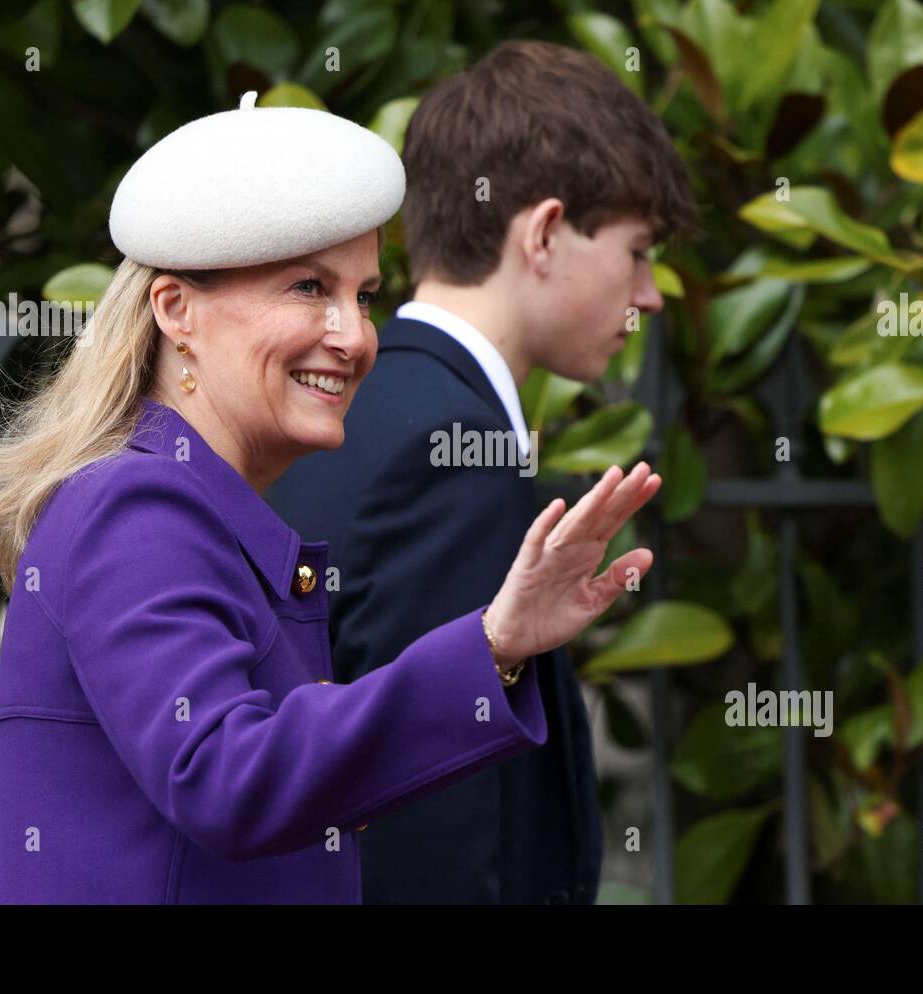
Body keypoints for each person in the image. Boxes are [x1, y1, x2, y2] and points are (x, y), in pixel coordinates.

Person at [0, 96, 661, 904]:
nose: (353, 336)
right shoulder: (136, 506)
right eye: (307, 288)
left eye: (362, 296)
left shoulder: (188, 510)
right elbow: (224, 774)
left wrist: (495, 649)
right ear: (176, 311)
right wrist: (489, 644)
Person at [269, 41, 697, 904]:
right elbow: (432, 821)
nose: (650, 293)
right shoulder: (450, 449)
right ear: (542, 233)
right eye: (638, 250)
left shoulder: (361, 410)